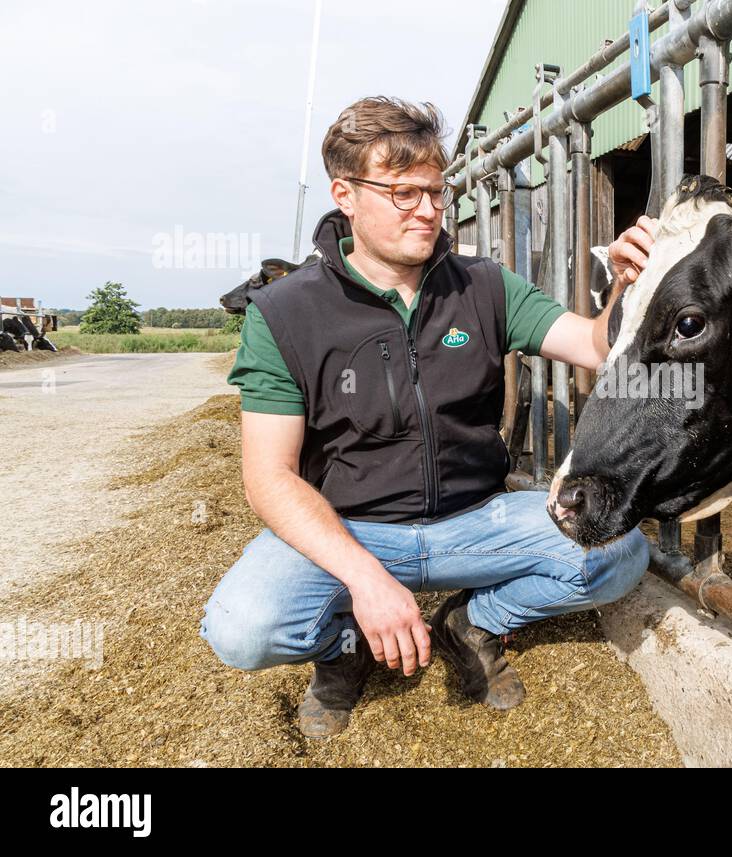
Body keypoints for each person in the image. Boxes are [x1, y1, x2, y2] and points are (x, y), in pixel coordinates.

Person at [200, 96, 657, 737]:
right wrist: (367, 582)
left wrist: (629, 287)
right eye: (403, 193)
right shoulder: (282, 313)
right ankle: (343, 653)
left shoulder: (484, 285)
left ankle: (474, 622)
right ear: (346, 194)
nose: (429, 210)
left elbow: (594, 345)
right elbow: (269, 478)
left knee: (619, 555)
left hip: (474, 520)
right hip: (352, 529)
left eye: (436, 193)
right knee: (243, 628)